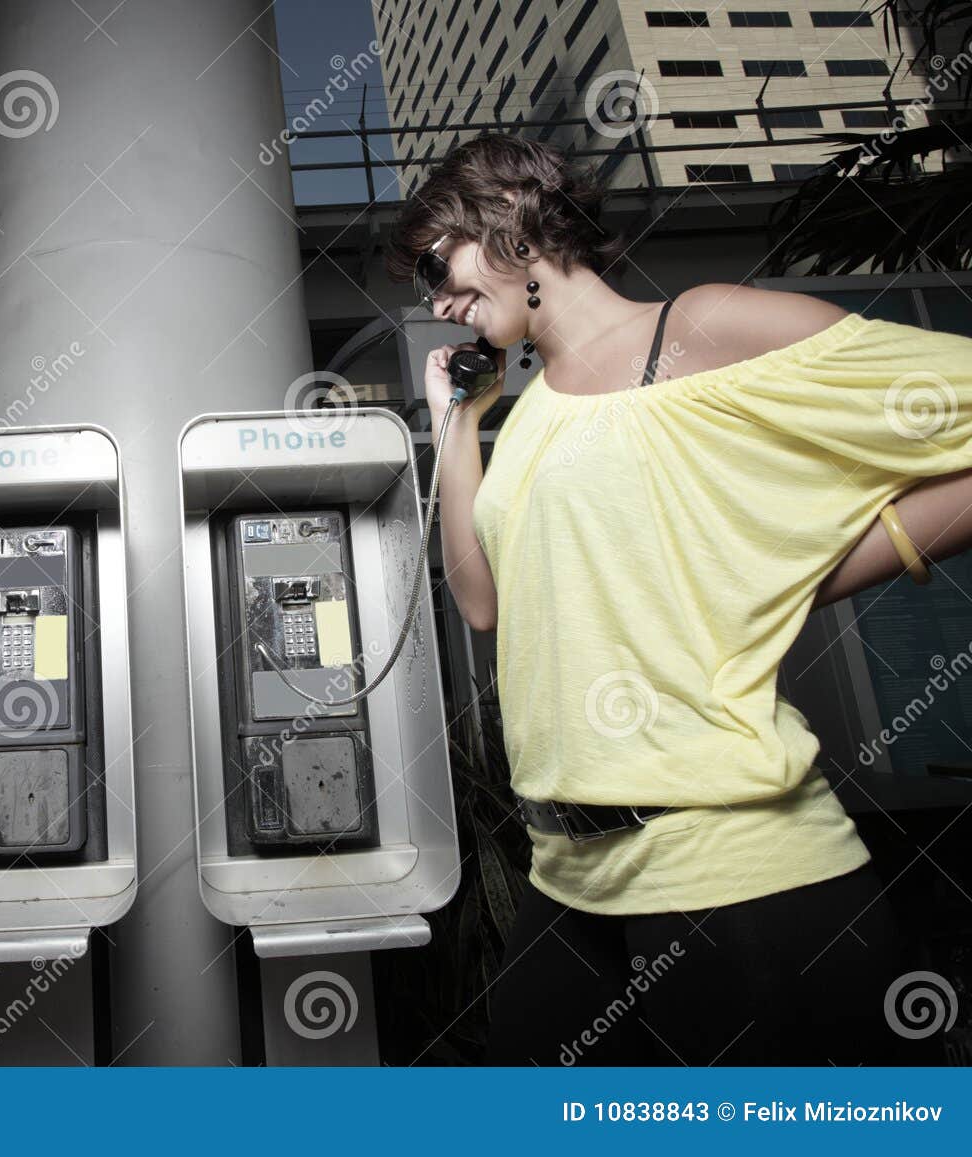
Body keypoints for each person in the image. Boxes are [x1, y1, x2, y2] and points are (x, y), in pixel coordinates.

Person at [387, 134, 972, 1064]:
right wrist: (457, 420)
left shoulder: (697, 328)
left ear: (507, 220)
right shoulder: (529, 412)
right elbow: (483, 603)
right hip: (569, 872)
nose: (436, 298)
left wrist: (815, 570)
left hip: (733, 871)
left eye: (436, 262)